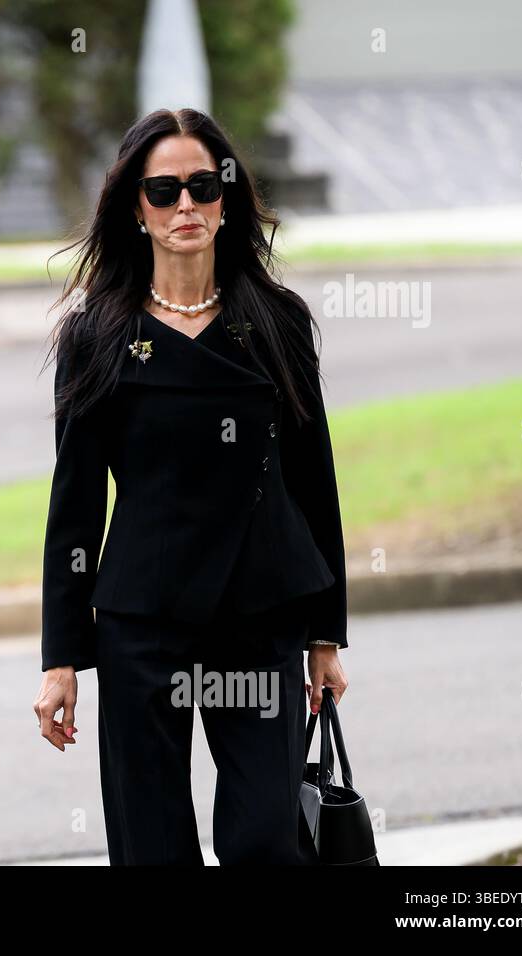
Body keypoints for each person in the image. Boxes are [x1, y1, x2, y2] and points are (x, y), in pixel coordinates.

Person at [33, 108, 350, 865]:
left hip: (260, 614)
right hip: (145, 624)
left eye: (203, 186)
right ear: (135, 208)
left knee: (265, 839)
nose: (185, 206)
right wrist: (60, 657)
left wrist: (325, 634)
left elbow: (315, 480)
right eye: (165, 189)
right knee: (151, 845)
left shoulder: (276, 321)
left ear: (227, 199)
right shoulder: (98, 334)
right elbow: (74, 504)